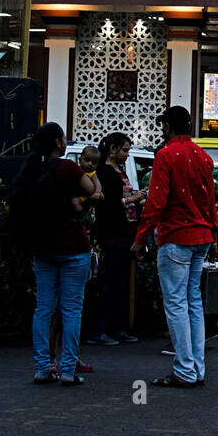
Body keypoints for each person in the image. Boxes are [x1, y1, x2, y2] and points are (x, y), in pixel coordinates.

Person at [131, 106, 218, 388]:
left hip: (176, 237)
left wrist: (140, 238)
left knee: (176, 303)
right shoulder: (202, 156)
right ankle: (197, 368)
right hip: (201, 237)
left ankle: (183, 369)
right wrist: (214, 237)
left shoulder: (166, 156)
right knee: (193, 302)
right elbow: (209, 202)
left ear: (167, 127)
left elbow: (156, 202)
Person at [10, 122, 95, 386]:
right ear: (59, 143)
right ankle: (68, 369)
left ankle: (42, 368)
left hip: (43, 247)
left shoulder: (31, 171)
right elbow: (91, 190)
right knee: (71, 309)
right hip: (73, 246)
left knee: (44, 308)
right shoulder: (68, 168)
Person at [84, 133, 139, 346]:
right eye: (124, 150)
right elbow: (110, 204)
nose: (126, 154)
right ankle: (98, 329)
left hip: (123, 233)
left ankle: (114, 327)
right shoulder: (105, 173)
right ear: (113, 149)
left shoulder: (117, 171)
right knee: (109, 282)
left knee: (118, 283)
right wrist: (132, 199)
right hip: (112, 234)